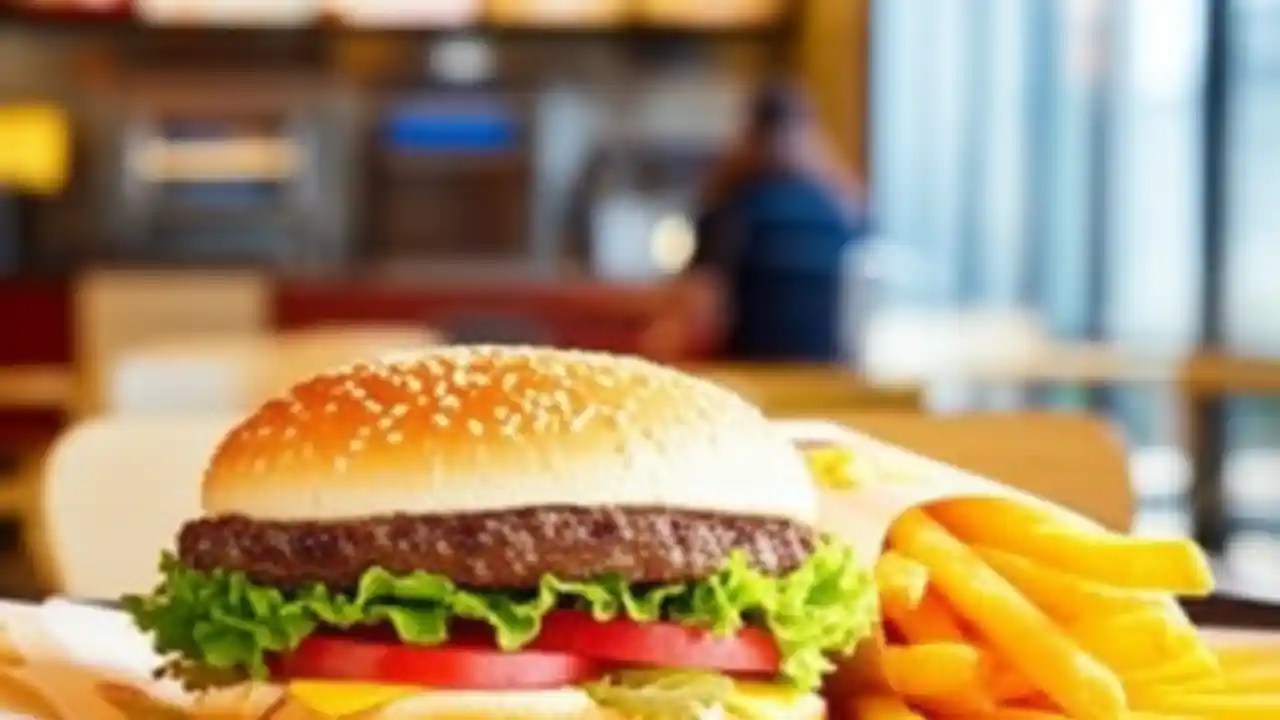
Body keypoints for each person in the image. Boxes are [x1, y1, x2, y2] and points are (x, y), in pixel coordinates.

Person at [687, 82, 866, 361]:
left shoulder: (732, 204)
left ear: (749, 132)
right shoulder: (840, 206)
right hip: (830, 367)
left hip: (751, 364)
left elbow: (700, 295)